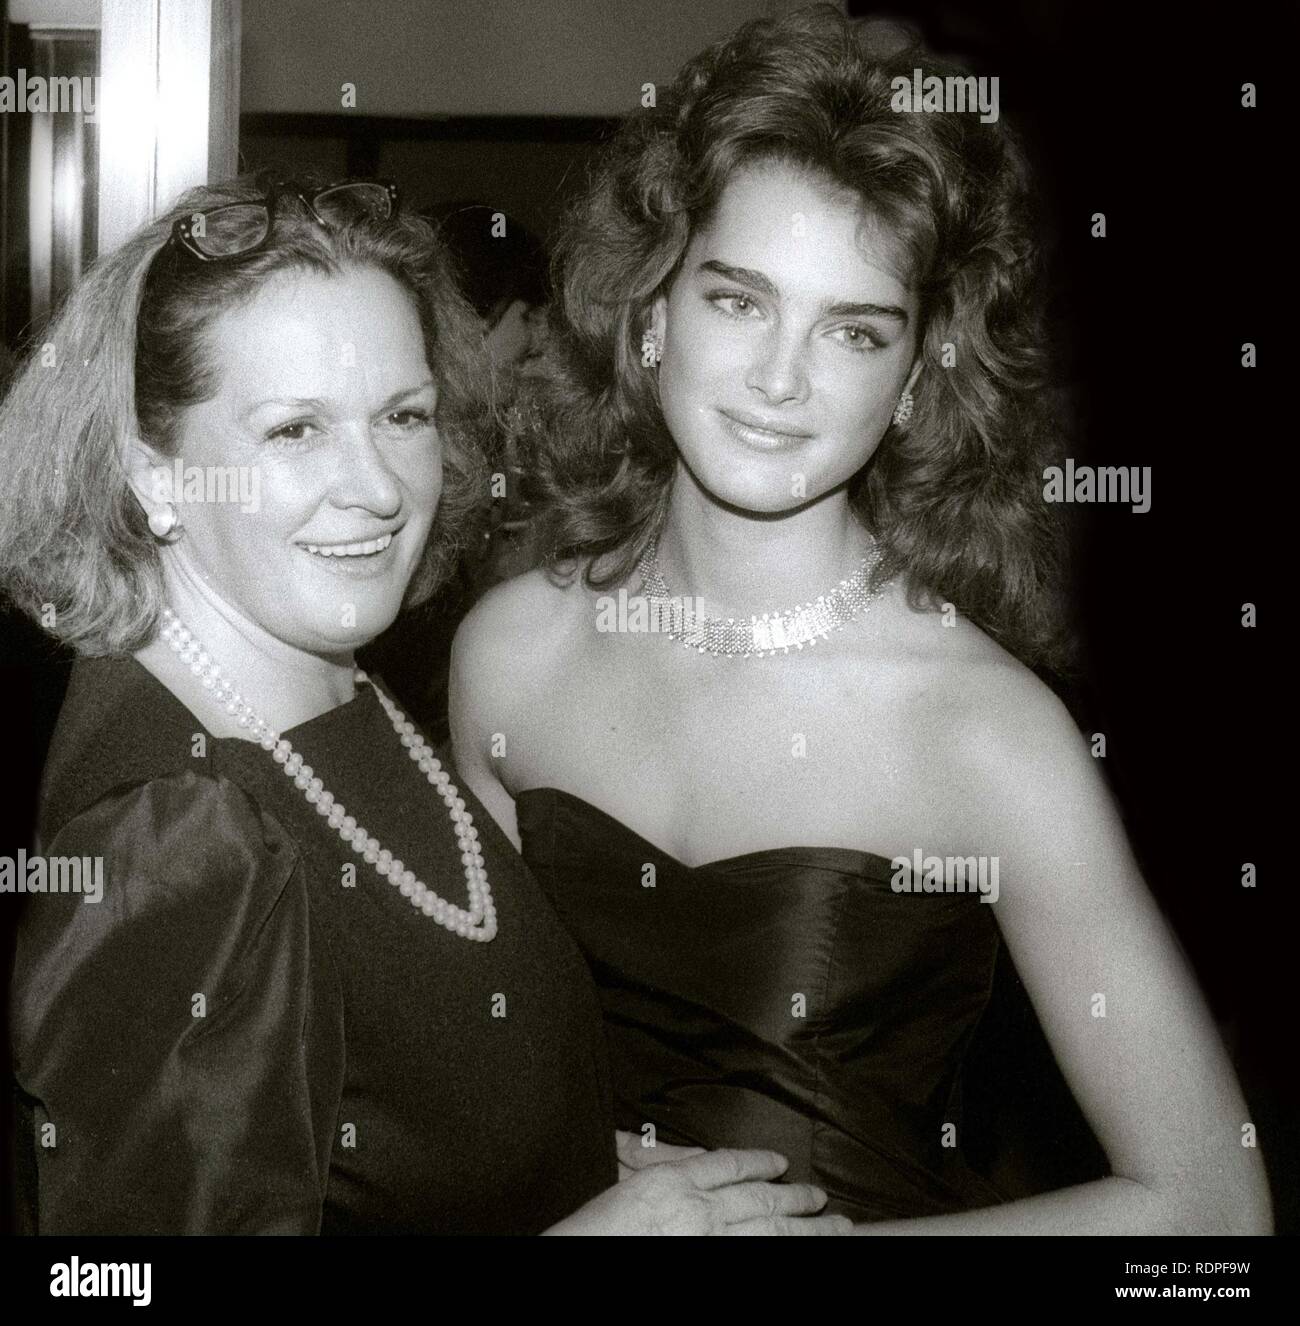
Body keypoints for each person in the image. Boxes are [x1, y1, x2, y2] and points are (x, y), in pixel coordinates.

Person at [449, 7, 1272, 1233]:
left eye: (852, 331)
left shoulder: (988, 732)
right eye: (739, 302)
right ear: (651, 313)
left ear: (914, 373)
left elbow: (1214, 1212)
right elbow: (485, 1083)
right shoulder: (508, 656)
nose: (782, 380)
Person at [0, 172, 846, 1235]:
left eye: (401, 416)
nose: (379, 487)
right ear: (155, 477)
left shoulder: (319, 682)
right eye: (294, 431)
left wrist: (554, 1160)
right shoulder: (177, 836)